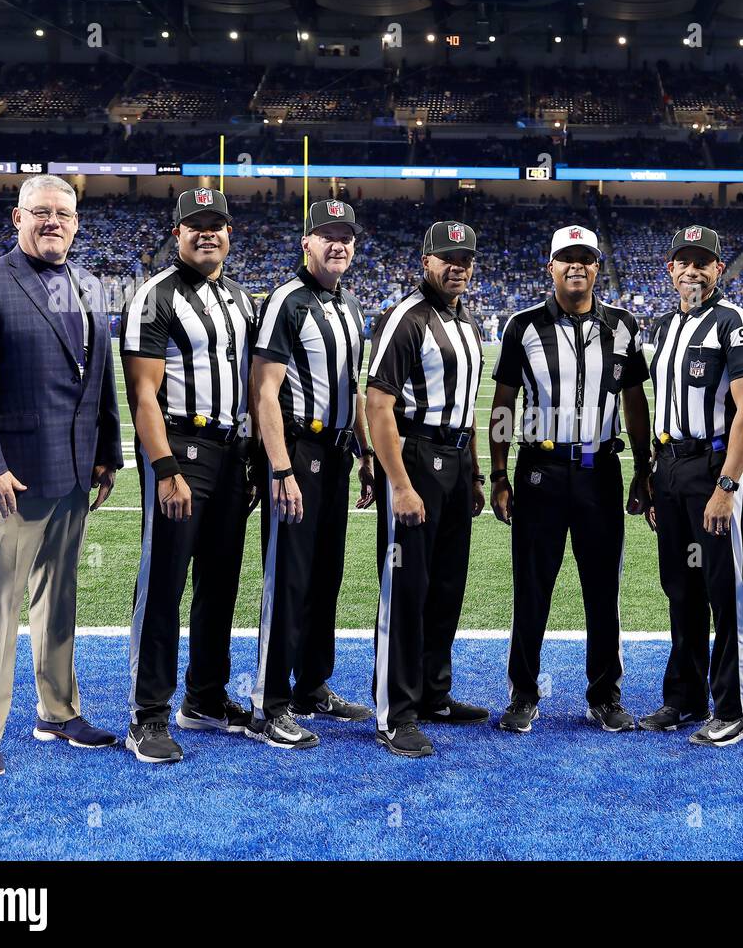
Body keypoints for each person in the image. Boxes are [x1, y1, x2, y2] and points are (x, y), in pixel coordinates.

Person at [0, 174, 122, 776]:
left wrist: (106, 454)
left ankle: (58, 710)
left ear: (75, 223)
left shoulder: (90, 288)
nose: (53, 222)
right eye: (40, 212)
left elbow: (100, 380)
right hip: (11, 480)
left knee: (60, 597)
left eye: (63, 214)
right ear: (16, 218)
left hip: (71, 471)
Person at [487, 224, 651, 734]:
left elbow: (636, 401)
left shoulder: (624, 327)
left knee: (603, 590)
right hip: (539, 469)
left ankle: (604, 694)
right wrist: (497, 472)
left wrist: (643, 470)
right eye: (567, 258)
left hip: (600, 469)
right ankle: (523, 692)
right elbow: (504, 404)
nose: (576, 266)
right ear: (551, 266)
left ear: (598, 266)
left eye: (586, 258)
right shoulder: (522, 326)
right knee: (531, 587)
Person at [120, 189, 259, 763]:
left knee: (220, 581)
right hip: (181, 448)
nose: (208, 234)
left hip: (229, 453)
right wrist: (166, 468)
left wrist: (250, 457)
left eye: (217, 225)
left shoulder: (238, 298)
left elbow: (250, 384)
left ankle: (204, 697)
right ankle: (147, 714)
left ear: (230, 233)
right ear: (176, 233)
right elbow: (142, 394)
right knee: (163, 583)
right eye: (195, 226)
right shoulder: (156, 296)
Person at [248, 199, 375, 745]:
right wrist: (279, 468)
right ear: (307, 242)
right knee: (289, 577)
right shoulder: (287, 301)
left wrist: (366, 454)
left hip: (339, 454)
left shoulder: (347, 307)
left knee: (325, 576)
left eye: (345, 237)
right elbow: (263, 390)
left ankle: (311, 686)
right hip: (298, 451)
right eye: (327, 236)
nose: (338, 245)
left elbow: (354, 389)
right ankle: (270, 703)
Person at [639, 225, 743, 747]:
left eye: (703, 262)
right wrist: (653, 473)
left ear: (719, 269)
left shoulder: (734, 323)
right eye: (683, 262)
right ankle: (685, 697)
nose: (692, 270)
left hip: (713, 467)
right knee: (681, 587)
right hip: (671, 466)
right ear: (670, 270)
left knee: (724, 586)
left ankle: (735, 706)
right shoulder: (667, 324)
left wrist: (728, 484)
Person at [365, 221, 487, 758]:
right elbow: (378, 404)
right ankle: (397, 711)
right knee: (406, 590)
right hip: (417, 456)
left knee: (445, 587)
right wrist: (400, 483)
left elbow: (469, 408)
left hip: (457, 461)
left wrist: (476, 471)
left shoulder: (466, 318)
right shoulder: (404, 318)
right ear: (425, 260)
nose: (456, 267)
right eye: (447, 258)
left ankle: (434, 694)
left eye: (464, 259)